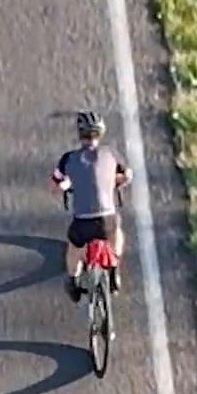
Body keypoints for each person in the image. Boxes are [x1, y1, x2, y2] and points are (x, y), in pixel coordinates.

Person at [53, 110, 127, 296]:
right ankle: (114, 269)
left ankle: (73, 281)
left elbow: (56, 184)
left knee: (74, 247)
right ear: (101, 133)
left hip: (82, 222)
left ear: (80, 134)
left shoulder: (68, 158)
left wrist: (66, 186)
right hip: (106, 218)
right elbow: (127, 175)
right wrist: (114, 182)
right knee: (116, 232)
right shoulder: (111, 153)